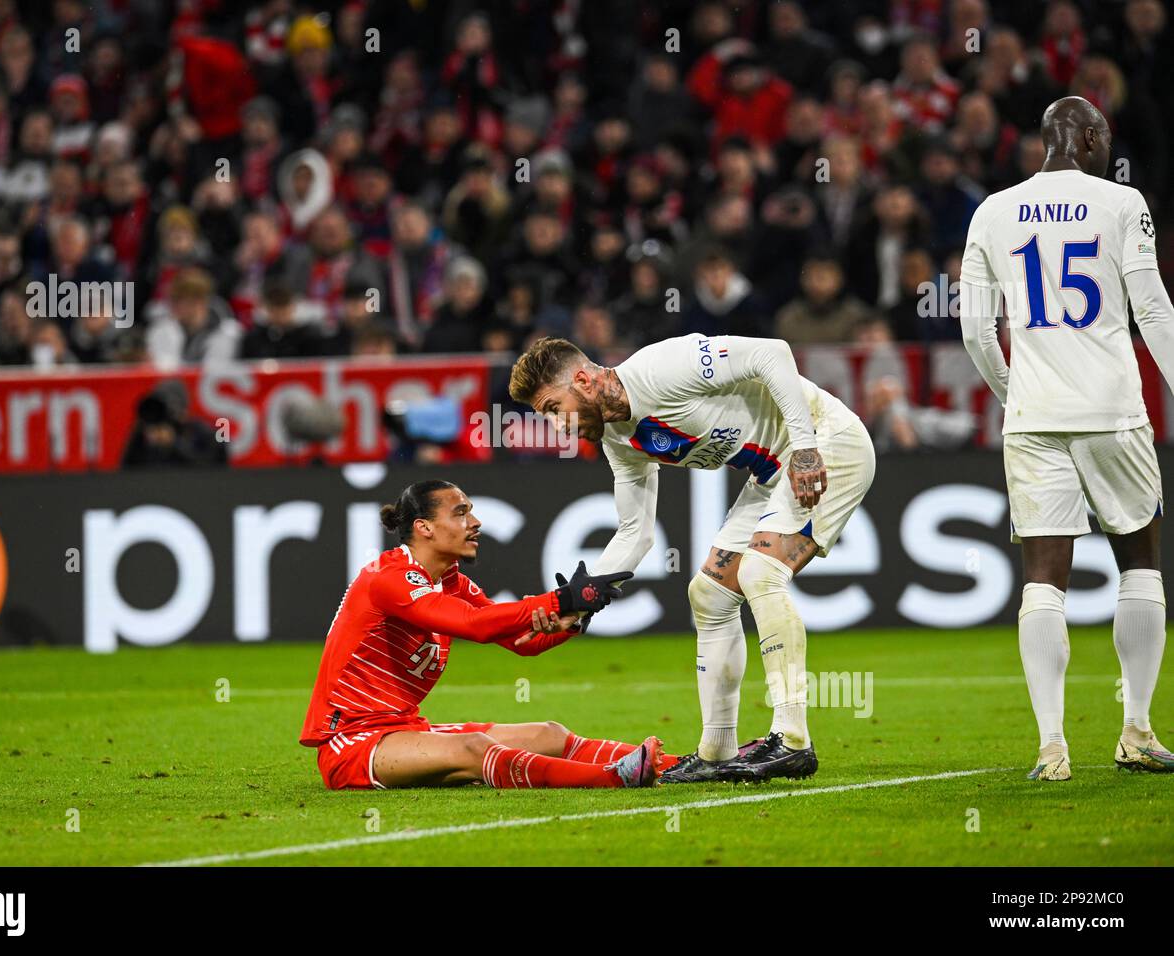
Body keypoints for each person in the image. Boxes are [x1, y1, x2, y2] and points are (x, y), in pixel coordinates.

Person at [509, 334, 876, 783]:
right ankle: (717, 751)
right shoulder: (619, 440)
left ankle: (793, 739)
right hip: (771, 473)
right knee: (709, 595)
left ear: (583, 381)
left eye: (553, 408)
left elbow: (773, 353)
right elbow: (635, 533)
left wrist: (803, 447)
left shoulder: (662, 368)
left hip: (826, 441)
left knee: (760, 571)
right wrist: (575, 602)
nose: (557, 426)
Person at [960, 96, 1174, 780]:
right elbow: (1152, 309)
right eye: (1104, 134)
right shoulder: (1122, 202)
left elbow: (975, 330)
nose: (1109, 146)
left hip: (1033, 417)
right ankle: (1136, 730)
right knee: (1139, 564)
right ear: (1085, 137)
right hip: (1112, 413)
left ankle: (1052, 747)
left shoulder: (993, 210)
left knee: (1042, 580)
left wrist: (1012, 392)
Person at [301, 480, 668, 790]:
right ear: (424, 527)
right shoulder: (387, 578)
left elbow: (523, 641)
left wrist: (571, 618)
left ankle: (675, 766)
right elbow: (474, 625)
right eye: (460, 513)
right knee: (475, 748)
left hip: (403, 728)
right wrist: (562, 598)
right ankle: (613, 777)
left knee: (548, 734)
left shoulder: (451, 582)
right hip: (352, 742)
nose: (475, 523)